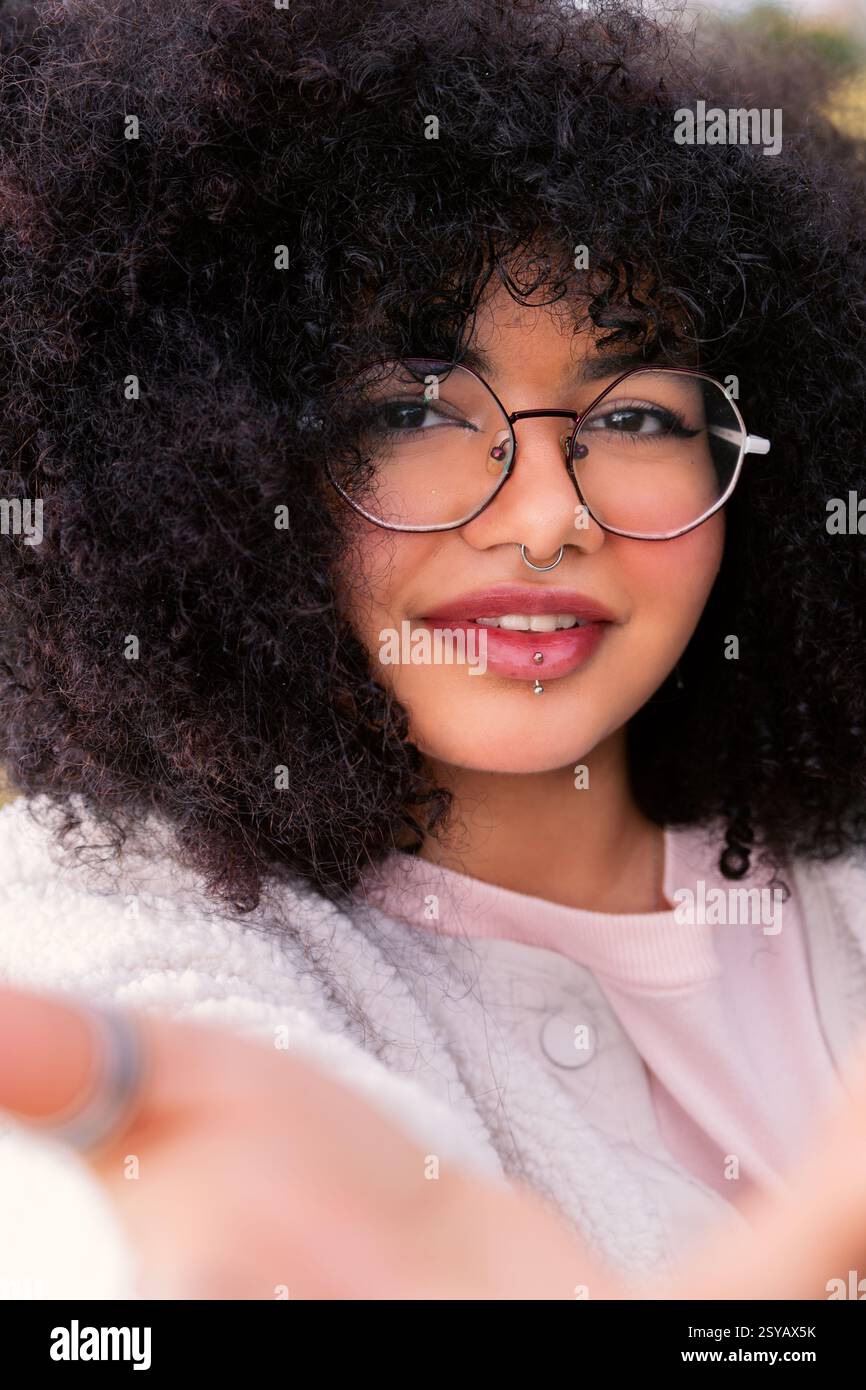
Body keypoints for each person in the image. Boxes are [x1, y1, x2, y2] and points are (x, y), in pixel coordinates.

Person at [0, 0, 864, 1300]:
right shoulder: (137, 963)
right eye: (410, 409)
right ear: (206, 467)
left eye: (631, 410)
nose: (544, 517)